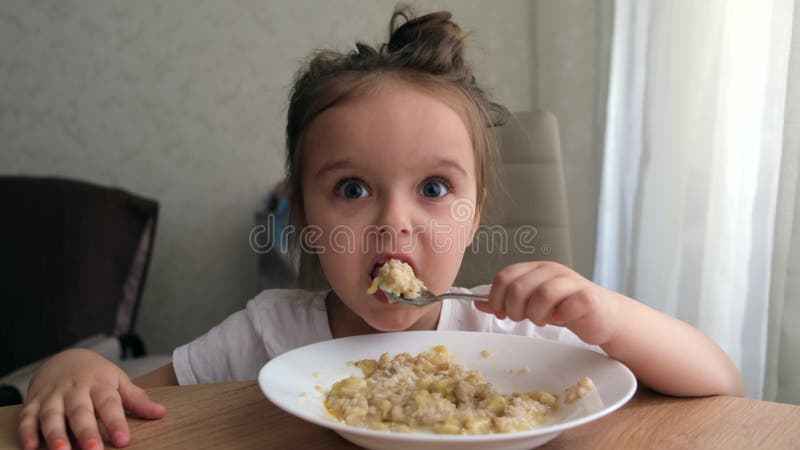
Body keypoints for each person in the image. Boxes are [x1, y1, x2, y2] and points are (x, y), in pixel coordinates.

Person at [18, 7, 744, 450]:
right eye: (352, 189)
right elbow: (141, 398)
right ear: (305, 218)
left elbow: (720, 381)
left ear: (477, 208)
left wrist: (607, 314)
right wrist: (75, 369)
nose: (394, 224)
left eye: (434, 188)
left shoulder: (511, 337)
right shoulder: (267, 334)